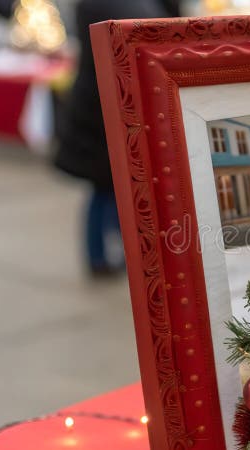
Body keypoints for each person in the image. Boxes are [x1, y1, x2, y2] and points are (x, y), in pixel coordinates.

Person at [54, 0, 179, 276]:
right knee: (105, 191)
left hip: (106, 107)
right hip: (101, 112)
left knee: (115, 191)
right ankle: (101, 257)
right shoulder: (108, 6)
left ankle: (116, 254)